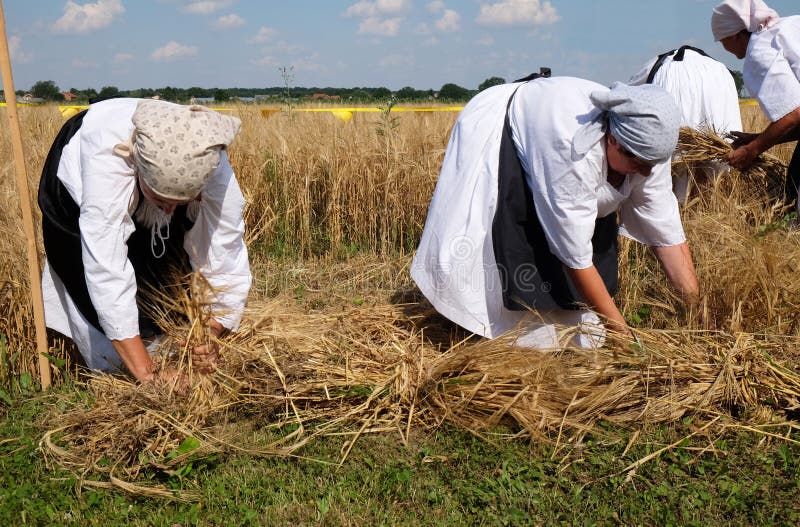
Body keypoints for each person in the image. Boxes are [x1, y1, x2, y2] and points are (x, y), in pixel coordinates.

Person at [410, 77, 701, 349]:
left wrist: (697, 315)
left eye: (653, 164)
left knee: (582, 324)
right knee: (488, 244)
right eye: (640, 163)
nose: (647, 172)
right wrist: (624, 338)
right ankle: (483, 330)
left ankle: (557, 332)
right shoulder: (572, 150)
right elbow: (574, 256)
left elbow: (666, 233)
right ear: (613, 140)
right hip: (497, 127)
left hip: (560, 142)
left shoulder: (650, 147)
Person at [38, 98, 252, 386]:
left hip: (160, 176)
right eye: (161, 200)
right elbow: (106, 270)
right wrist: (149, 376)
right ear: (138, 170)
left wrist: (210, 333)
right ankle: (116, 372)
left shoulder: (211, 164)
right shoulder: (106, 166)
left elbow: (226, 251)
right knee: (91, 289)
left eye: (179, 203)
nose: (167, 212)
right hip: (74, 198)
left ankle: (166, 354)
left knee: (167, 274)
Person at [712, 0, 800, 212]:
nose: (724, 48)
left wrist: (752, 151)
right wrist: (756, 139)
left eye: (722, 41)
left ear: (734, 35)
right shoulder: (789, 27)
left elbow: (794, 113)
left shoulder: (760, 51)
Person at [628, 45, 743, 202]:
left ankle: (678, 205)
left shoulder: (657, 68)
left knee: (675, 162)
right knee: (713, 158)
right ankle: (703, 206)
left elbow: (633, 92)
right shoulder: (719, 70)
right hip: (716, 85)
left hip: (672, 85)